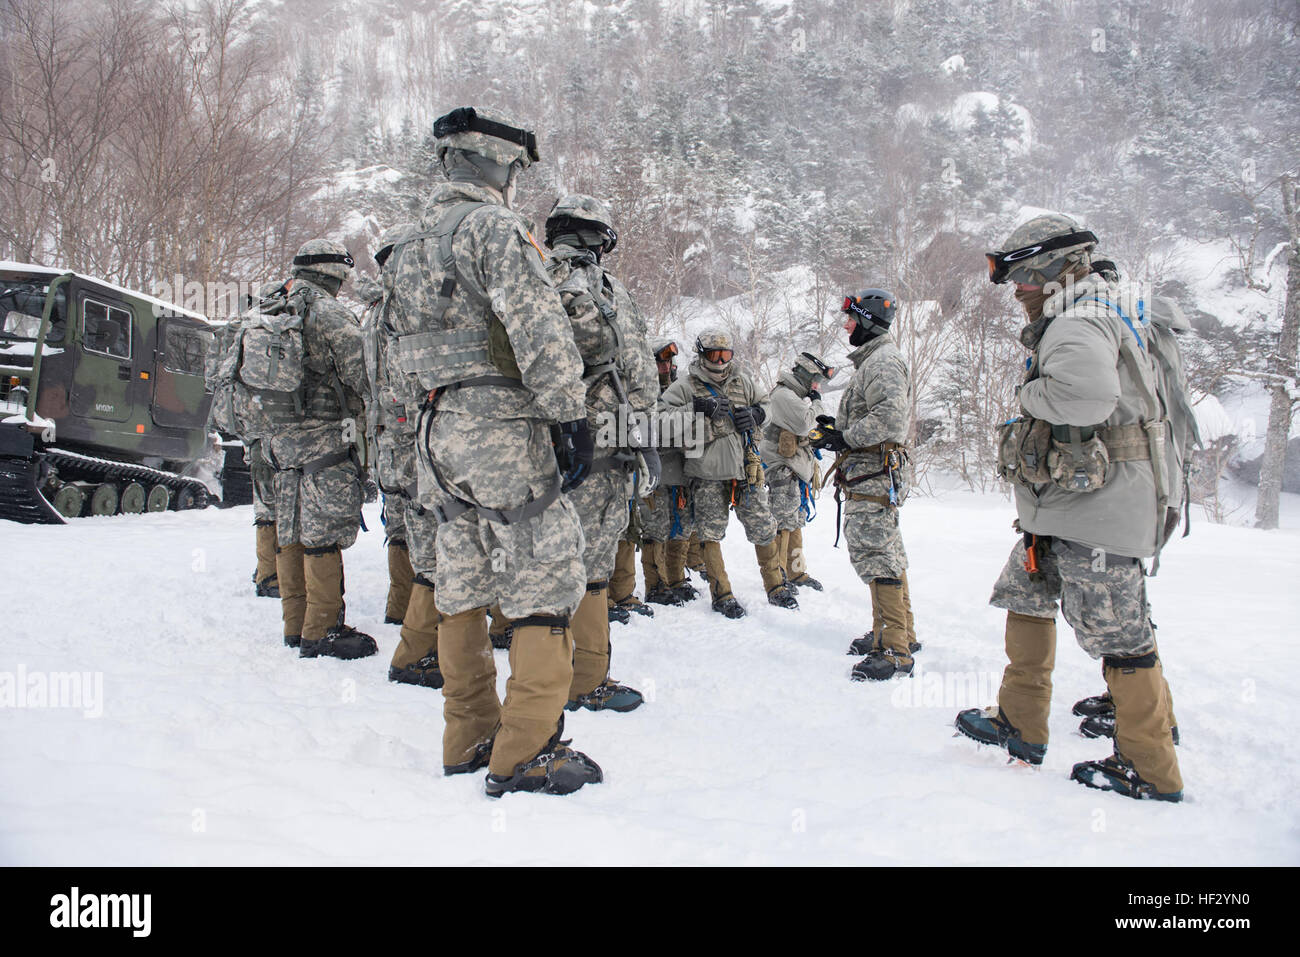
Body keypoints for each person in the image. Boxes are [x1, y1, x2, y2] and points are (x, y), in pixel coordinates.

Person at [385, 106, 601, 797]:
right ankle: (528, 750)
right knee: (542, 577)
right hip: (503, 426)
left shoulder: (409, 244)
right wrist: (569, 415)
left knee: (464, 583)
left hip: (435, 429)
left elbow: (391, 361)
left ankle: (468, 735)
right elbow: (540, 328)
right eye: (512, 169)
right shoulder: (495, 230)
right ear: (494, 168)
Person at [954, 213, 1184, 802]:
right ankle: (1020, 721)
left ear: (1051, 269)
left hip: (1096, 511)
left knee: (1119, 633)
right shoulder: (1086, 309)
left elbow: (1083, 399)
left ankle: (1149, 767)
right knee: (1024, 594)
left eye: (1022, 278)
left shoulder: (1078, 318)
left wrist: (1025, 393)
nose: (1017, 291)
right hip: (1064, 507)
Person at [543, 193, 658, 713]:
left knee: (588, 561)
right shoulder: (573, 286)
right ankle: (581, 680)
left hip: (606, 443)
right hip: (587, 445)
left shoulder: (585, 285)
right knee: (583, 568)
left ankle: (578, 674)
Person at [262, 240, 376, 660]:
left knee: (290, 529)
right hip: (325, 439)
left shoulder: (270, 309)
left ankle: (295, 625)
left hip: (277, 441)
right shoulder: (330, 314)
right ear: (335, 275)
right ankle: (323, 630)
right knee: (323, 533)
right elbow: (362, 375)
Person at [812, 291, 918, 680]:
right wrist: (836, 431)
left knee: (877, 555)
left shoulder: (883, 362)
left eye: (852, 321)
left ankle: (894, 649)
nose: (847, 327)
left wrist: (846, 438)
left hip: (873, 472)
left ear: (868, 322)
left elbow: (890, 419)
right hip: (869, 471)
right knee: (888, 552)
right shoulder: (874, 361)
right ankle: (898, 630)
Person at [361, 225, 446, 689]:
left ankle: (401, 607)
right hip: (414, 435)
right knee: (431, 539)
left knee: (403, 525)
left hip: (387, 437)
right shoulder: (408, 308)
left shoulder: (372, 312)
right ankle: (417, 646)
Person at [659, 330, 794, 618]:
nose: (720, 362)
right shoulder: (686, 386)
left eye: (726, 355)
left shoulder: (742, 381)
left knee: (763, 526)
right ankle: (722, 594)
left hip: (746, 468)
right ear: (701, 354)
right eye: (713, 355)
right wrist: (694, 408)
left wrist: (758, 415)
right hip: (706, 472)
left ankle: (776, 586)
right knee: (710, 534)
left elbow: (767, 406)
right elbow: (659, 420)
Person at [762, 351, 834, 592]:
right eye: (816, 381)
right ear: (805, 376)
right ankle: (778, 575)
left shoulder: (791, 395)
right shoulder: (784, 395)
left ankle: (796, 572)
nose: (817, 386)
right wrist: (817, 401)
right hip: (782, 469)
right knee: (782, 523)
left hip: (793, 468)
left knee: (794, 523)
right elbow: (807, 422)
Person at [640, 340, 698, 606]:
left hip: (681, 471)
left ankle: (675, 579)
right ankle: (656, 585)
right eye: (660, 363)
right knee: (655, 529)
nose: (666, 367)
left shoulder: (680, 389)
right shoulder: (643, 392)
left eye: (669, 363)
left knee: (682, 526)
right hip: (656, 471)